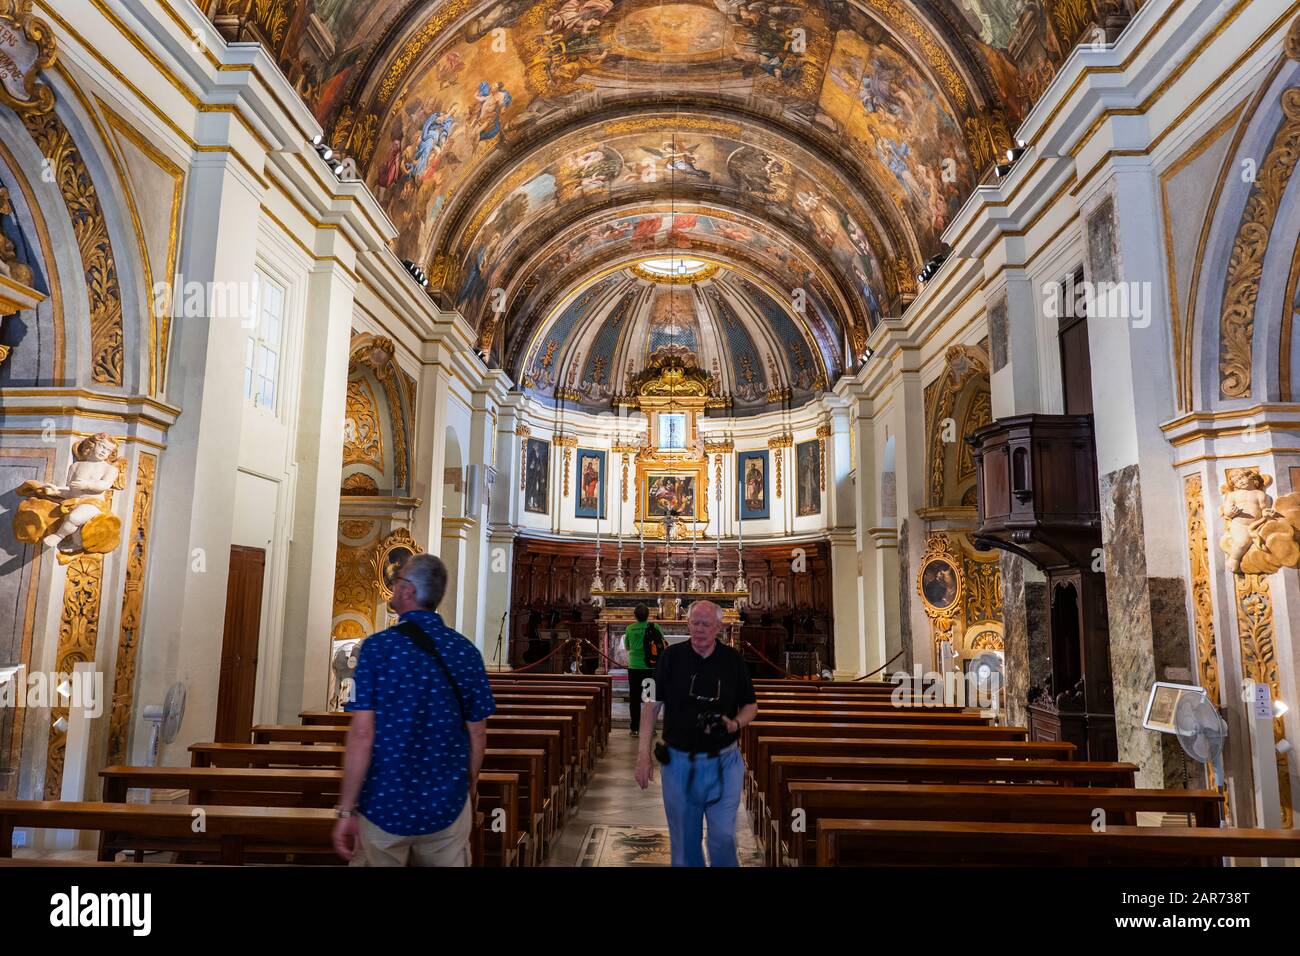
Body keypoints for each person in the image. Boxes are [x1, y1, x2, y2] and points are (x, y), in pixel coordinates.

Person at [332, 553, 496, 866]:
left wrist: (346, 808)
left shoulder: (378, 648)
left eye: (397, 580)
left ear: (409, 591)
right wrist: (469, 786)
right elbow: (477, 732)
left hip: (384, 800)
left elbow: (362, 734)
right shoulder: (466, 652)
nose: (392, 586)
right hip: (446, 801)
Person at [634, 601, 757, 866]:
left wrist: (735, 723)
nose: (699, 630)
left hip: (724, 762)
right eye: (695, 623)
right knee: (685, 843)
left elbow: (750, 706)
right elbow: (650, 704)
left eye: (706, 624)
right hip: (679, 764)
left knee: (723, 836)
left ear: (719, 627)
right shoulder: (669, 657)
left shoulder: (733, 659)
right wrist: (643, 754)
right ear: (687, 624)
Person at [622, 604, 661, 737]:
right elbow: (661, 643)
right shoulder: (654, 627)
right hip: (650, 666)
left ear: (635, 615)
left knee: (634, 698)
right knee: (649, 699)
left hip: (634, 667)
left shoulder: (630, 628)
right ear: (648, 615)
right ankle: (650, 728)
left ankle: (634, 728)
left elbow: (627, 646)